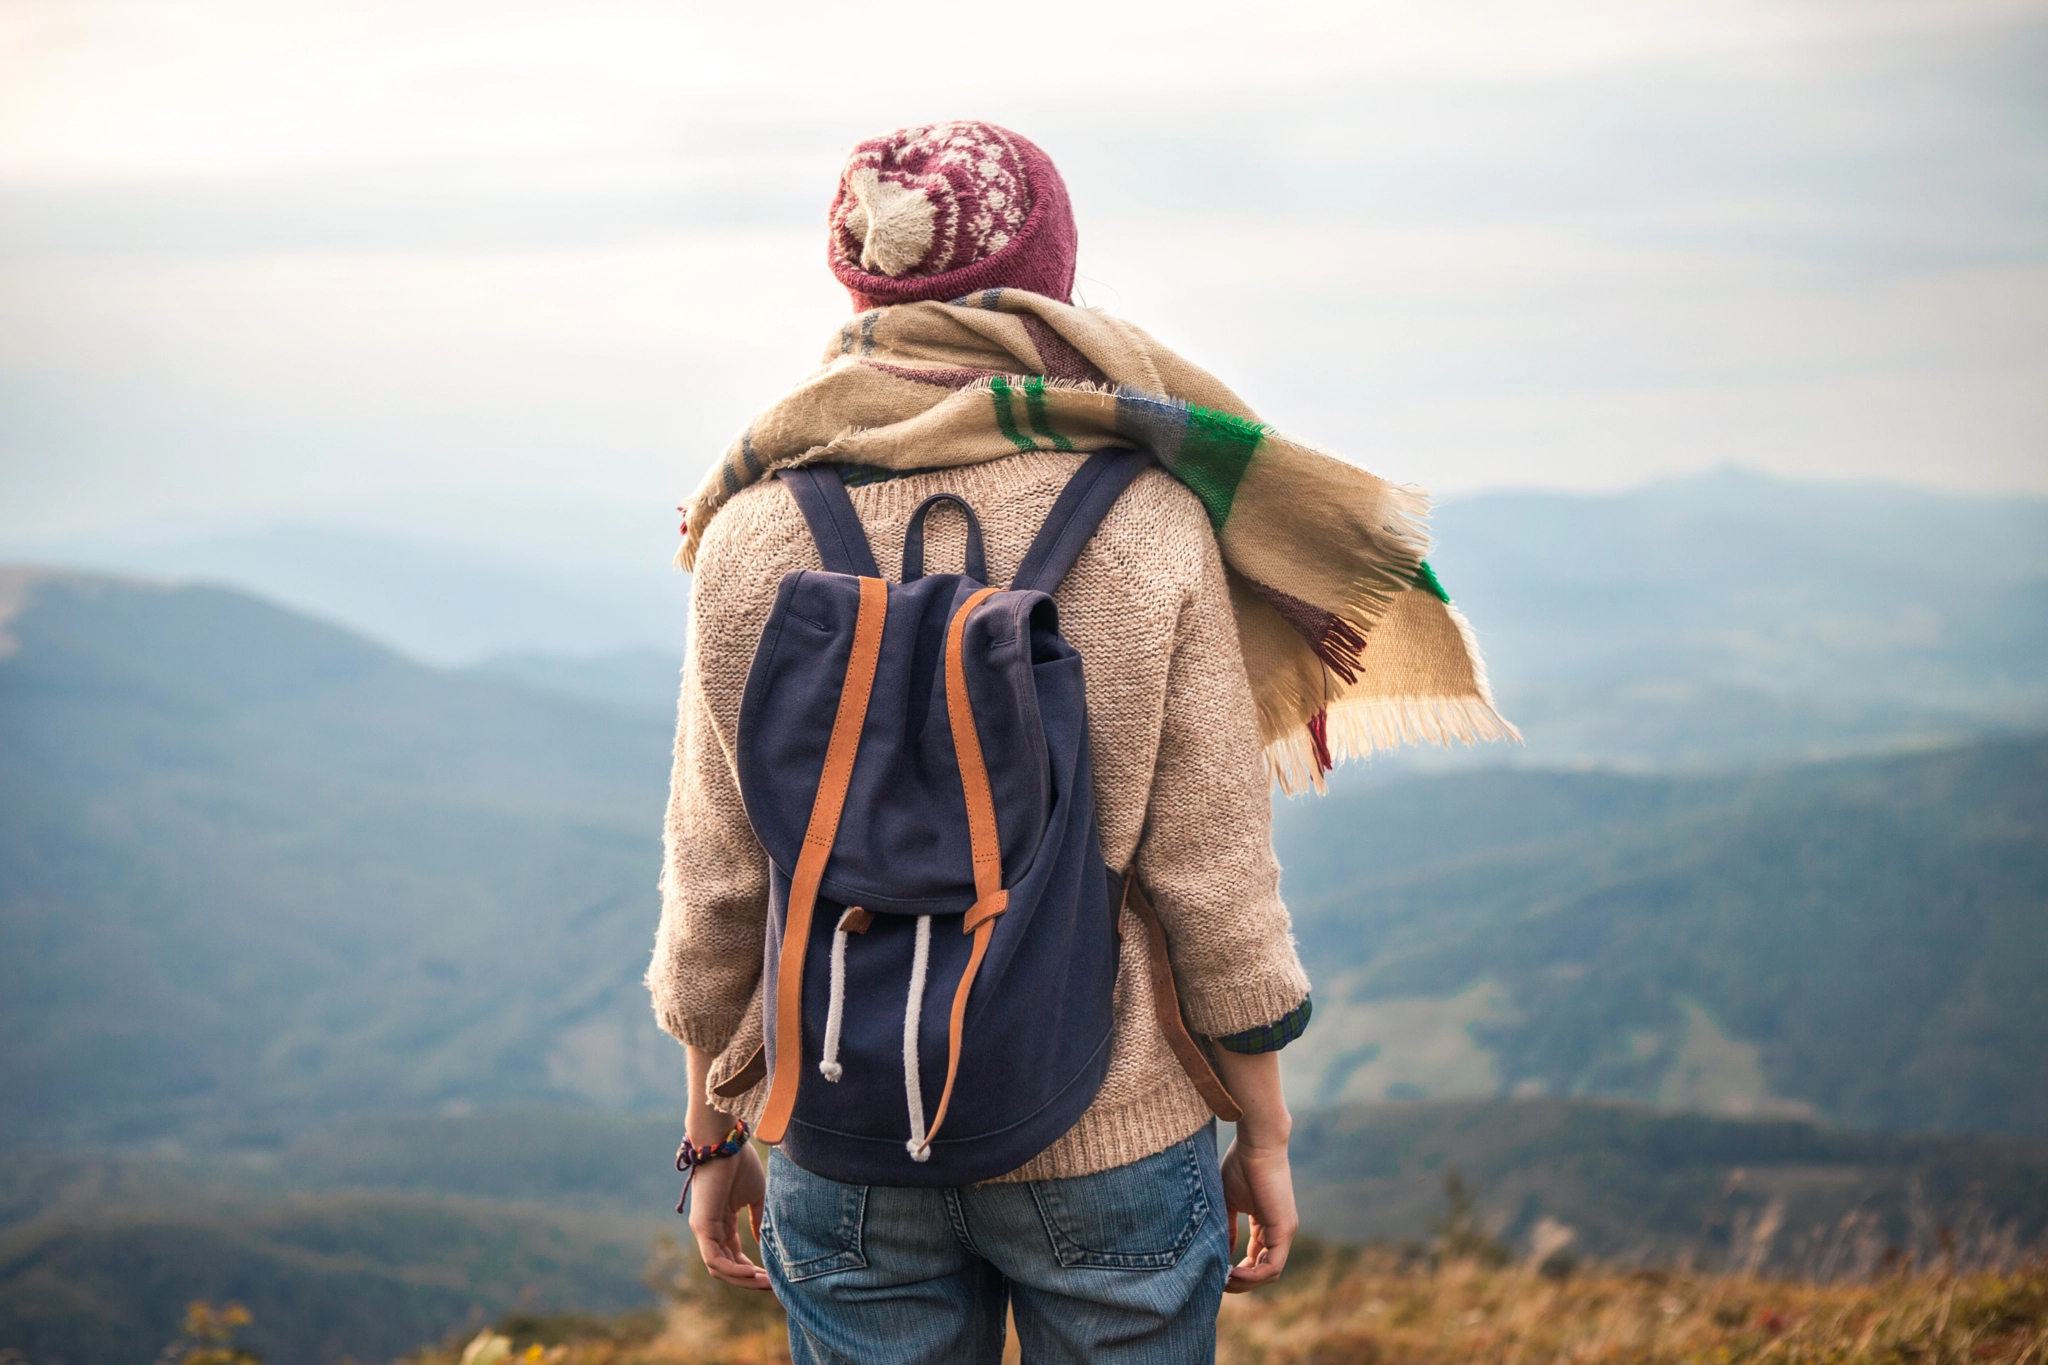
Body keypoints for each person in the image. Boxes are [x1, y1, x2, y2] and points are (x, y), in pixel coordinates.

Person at [648, 120, 1509, 1365]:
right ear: (1047, 273)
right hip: (1110, 1126)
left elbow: (720, 881)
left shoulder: (748, 531)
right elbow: (1208, 873)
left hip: (837, 1122)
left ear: (860, 280)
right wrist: (1259, 1130)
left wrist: (714, 1129)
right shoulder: (1148, 517)